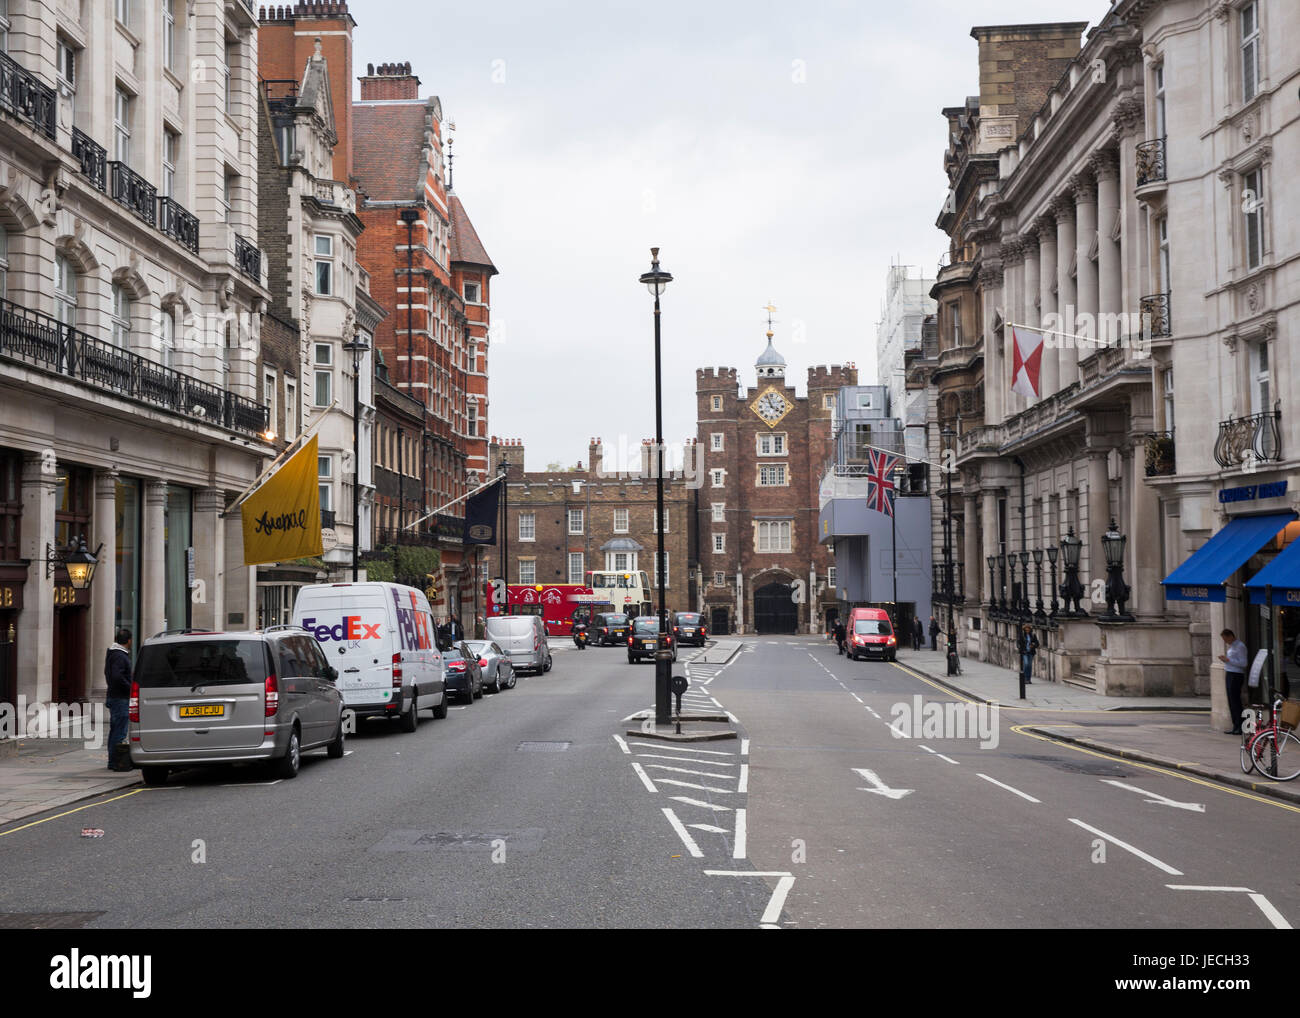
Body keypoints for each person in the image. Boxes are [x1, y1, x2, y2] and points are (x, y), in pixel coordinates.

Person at [105, 628, 133, 771]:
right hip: (120, 698)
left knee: (115, 730)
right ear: (129, 641)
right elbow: (117, 677)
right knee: (120, 731)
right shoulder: (120, 656)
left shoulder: (114, 654)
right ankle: (116, 762)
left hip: (115, 696)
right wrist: (130, 688)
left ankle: (113, 761)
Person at [1218, 628, 1248, 735]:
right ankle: (1235, 725)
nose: (1225, 642)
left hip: (1236, 675)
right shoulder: (1232, 646)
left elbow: (1243, 663)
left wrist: (1228, 660)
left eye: (1226, 639)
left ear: (1231, 636)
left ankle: (1240, 726)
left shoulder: (1240, 646)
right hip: (1230, 673)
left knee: (1236, 701)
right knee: (1231, 701)